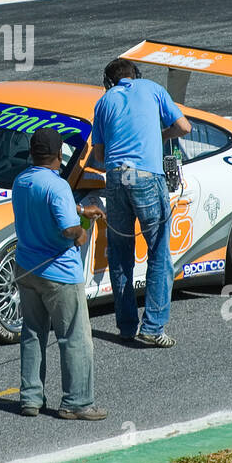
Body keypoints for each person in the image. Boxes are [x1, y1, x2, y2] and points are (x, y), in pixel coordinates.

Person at [91, 58, 191, 347]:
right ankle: (153, 327)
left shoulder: (103, 102)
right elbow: (184, 127)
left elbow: (98, 156)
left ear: (109, 82)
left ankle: (126, 326)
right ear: (136, 74)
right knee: (159, 252)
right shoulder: (153, 88)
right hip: (147, 178)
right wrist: (160, 135)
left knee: (120, 253)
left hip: (116, 179)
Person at [11, 126, 108, 420]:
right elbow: (68, 229)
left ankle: (30, 398)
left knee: (32, 332)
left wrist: (78, 208)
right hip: (59, 274)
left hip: (27, 267)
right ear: (58, 155)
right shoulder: (58, 186)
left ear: (32, 153)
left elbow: (47, 207)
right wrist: (80, 231)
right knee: (74, 337)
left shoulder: (22, 180)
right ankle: (77, 403)